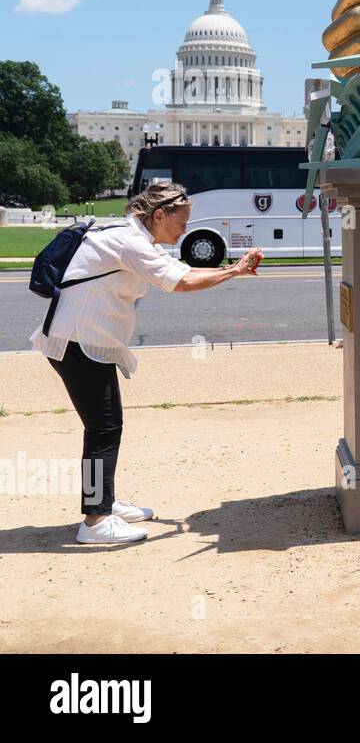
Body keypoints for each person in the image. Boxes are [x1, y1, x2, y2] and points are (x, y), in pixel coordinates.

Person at [29, 183, 263, 544]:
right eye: (181, 222)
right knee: (103, 429)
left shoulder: (129, 236)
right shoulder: (129, 241)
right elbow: (181, 283)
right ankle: (95, 521)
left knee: (104, 427)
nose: (185, 229)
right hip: (79, 340)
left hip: (82, 338)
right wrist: (233, 272)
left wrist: (231, 269)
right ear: (159, 215)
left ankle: (104, 503)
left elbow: (178, 269)